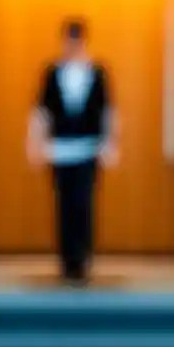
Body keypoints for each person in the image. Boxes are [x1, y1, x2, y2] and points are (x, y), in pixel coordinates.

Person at [26, 19, 119, 283]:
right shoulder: (52, 73)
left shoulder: (97, 73)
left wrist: (110, 143)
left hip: (88, 149)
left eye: (77, 41)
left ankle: (83, 257)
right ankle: (67, 260)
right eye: (69, 40)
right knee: (64, 205)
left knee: (84, 204)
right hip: (59, 149)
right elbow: (41, 112)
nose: (72, 45)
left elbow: (108, 112)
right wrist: (34, 144)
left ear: (84, 42)